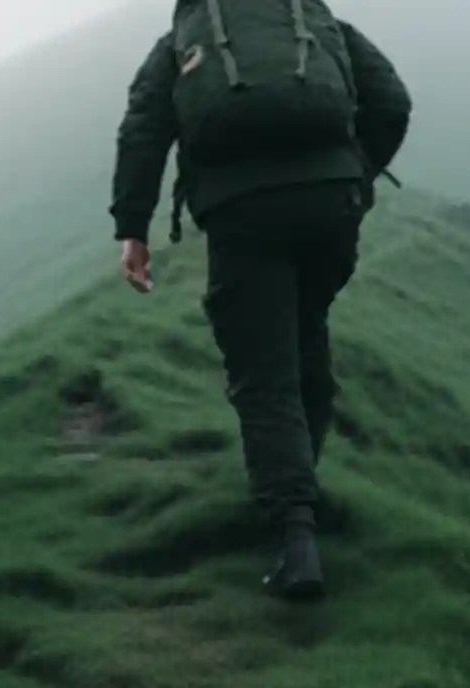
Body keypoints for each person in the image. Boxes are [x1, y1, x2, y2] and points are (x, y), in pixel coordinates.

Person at [109, 0, 411, 602]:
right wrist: (356, 173)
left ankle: (293, 538)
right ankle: (300, 481)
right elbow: (392, 102)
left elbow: (144, 128)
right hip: (330, 205)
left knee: (264, 372)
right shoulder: (310, 20)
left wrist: (132, 228)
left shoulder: (183, 38)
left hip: (243, 211)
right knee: (306, 338)